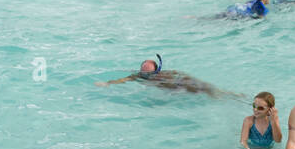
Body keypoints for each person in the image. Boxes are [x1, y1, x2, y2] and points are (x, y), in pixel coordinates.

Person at [96, 55, 232, 96]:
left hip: (177, 84)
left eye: (148, 72)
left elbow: (181, 76)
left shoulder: (164, 75)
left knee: (202, 87)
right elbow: (123, 79)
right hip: (175, 86)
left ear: (156, 70)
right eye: (143, 72)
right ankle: (223, 94)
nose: (145, 75)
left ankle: (228, 94)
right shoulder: (139, 76)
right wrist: (108, 83)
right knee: (203, 90)